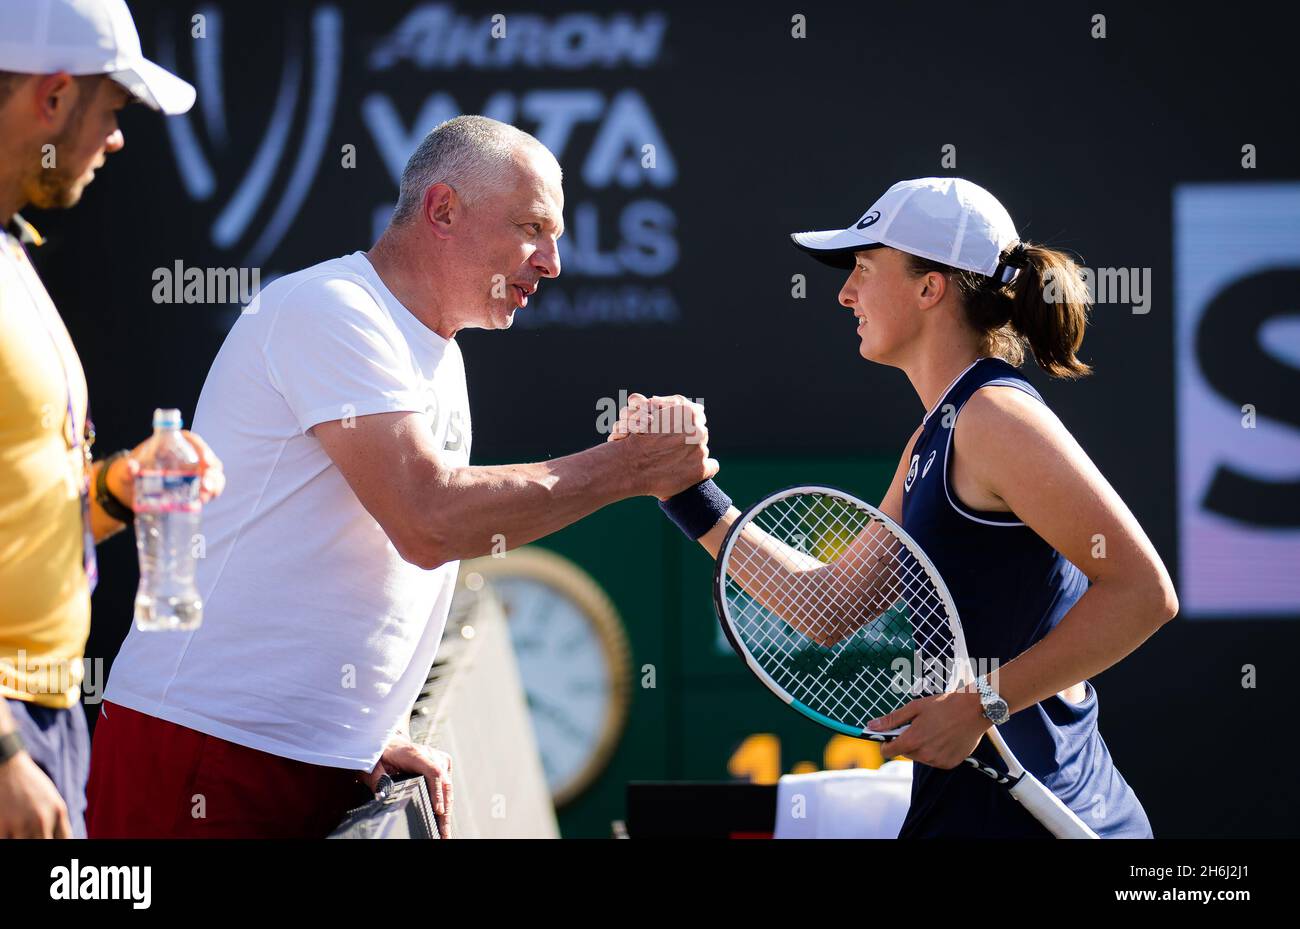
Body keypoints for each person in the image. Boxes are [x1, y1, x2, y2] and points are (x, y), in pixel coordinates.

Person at [87, 115, 716, 838]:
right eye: (533, 227)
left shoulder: (435, 349)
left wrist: (366, 732)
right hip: (206, 750)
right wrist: (626, 467)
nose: (552, 261)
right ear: (442, 209)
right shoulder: (332, 310)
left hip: (311, 761)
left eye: (556, 236)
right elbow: (427, 520)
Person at [624, 177, 1177, 837]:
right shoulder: (939, 431)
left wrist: (981, 703)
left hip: (1044, 818)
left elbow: (1144, 593)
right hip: (972, 812)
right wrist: (687, 494)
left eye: (862, 268)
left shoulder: (993, 418)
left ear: (930, 286)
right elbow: (826, 608)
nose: (844, 292)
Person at [0, 0, 224, 839]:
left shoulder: (13, 253)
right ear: (53, 100)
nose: (118, 138)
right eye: (114, 109)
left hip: (42, 721)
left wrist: (121, 491)